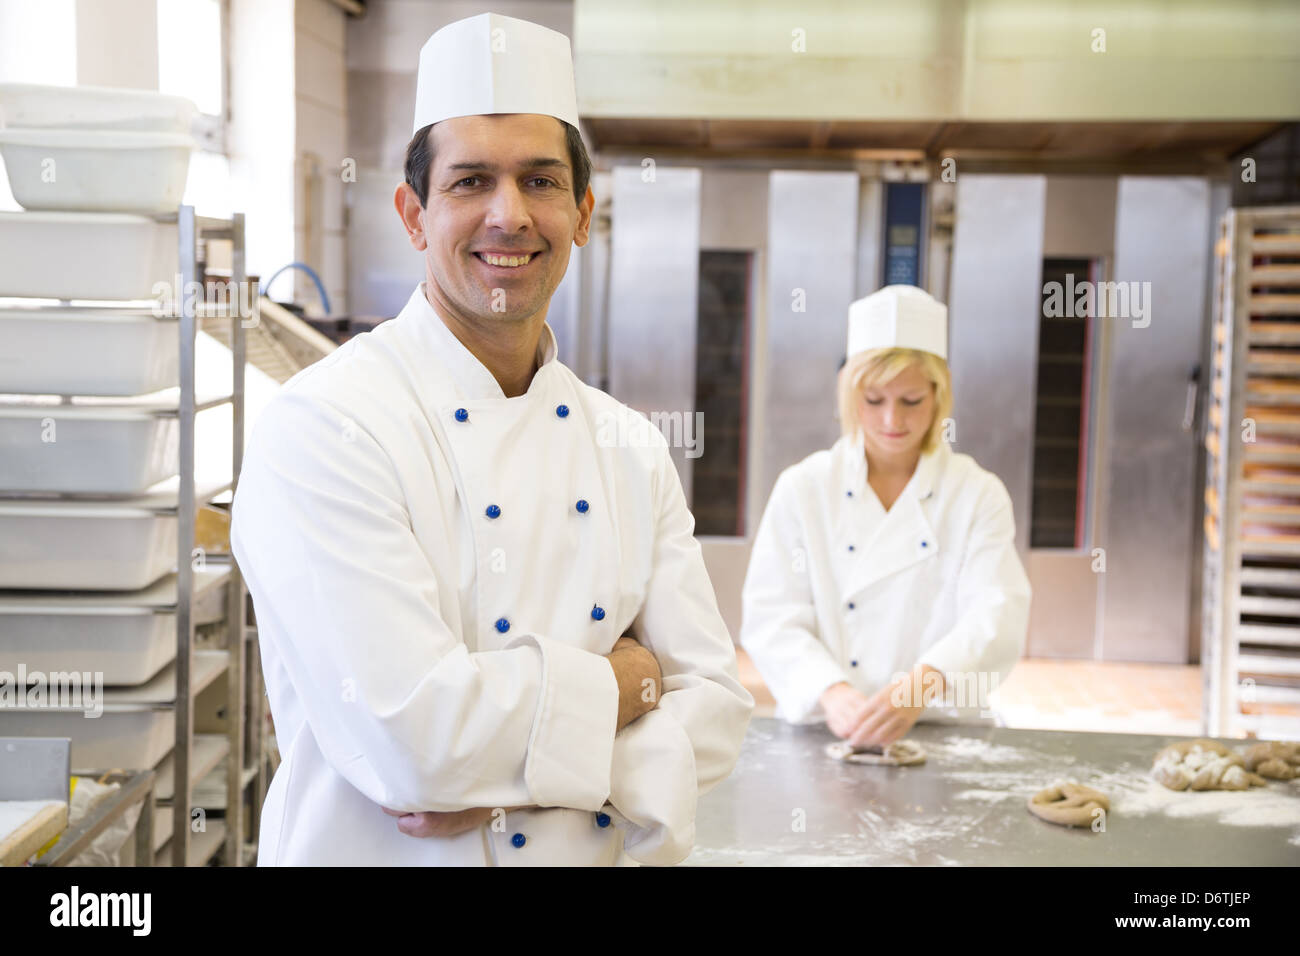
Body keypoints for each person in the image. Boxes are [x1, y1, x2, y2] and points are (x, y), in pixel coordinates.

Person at [231, 12, 752, 866]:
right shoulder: (327, 426)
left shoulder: (626, 444)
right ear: (413, 213)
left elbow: (721, 712)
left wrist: (513, 761)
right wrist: (629, 683)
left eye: (541, 181)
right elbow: (418, 744)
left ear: (583, 214)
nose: (509, 215)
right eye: (470, 181)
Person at [739, 285, 1029, 750]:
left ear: (939, 396)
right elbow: (771, 615)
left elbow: (996, 613)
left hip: (942, 732)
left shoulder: (976, 494)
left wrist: (919, 687)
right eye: (874, 400)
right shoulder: (806, 488)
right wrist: (833, 692)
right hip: (828, 731)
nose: (893, 419)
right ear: (850, 397)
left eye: (911, 401)